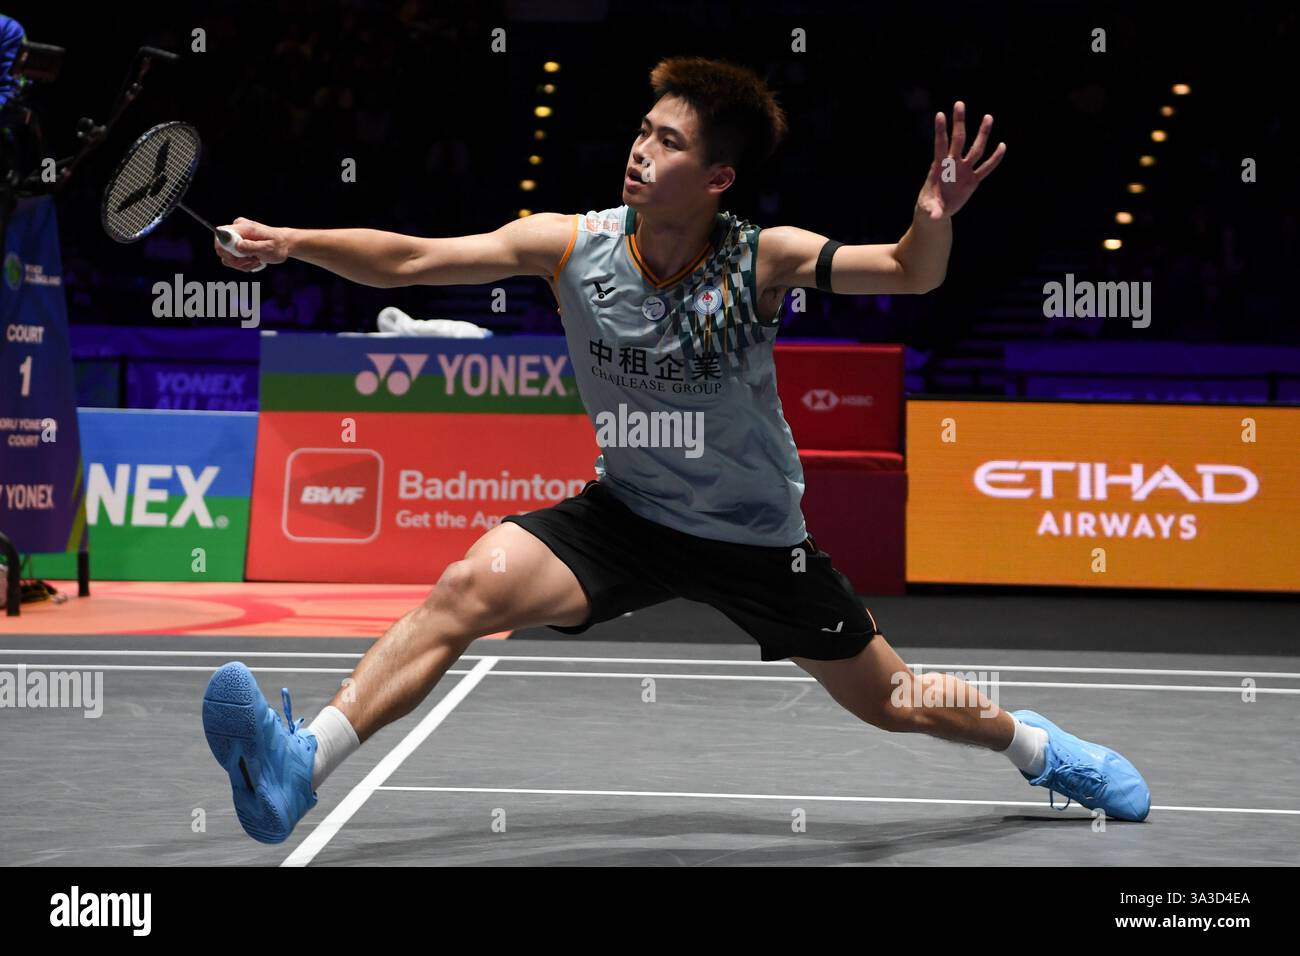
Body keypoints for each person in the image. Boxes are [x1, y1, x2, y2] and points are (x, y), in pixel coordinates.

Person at [202, 56, 1149, 845]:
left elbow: (905, 272)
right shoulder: (573, 245)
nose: (641, 150)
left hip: (754, 539)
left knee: (894, 699)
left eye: (669, 141)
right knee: (468, 588)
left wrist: (932, 220)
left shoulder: (759, 259)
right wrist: (290, 241)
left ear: (718, 179)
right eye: (643, 131)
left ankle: (1035, 747)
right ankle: (297, 766)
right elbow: (412, 260)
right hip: (629, 514)